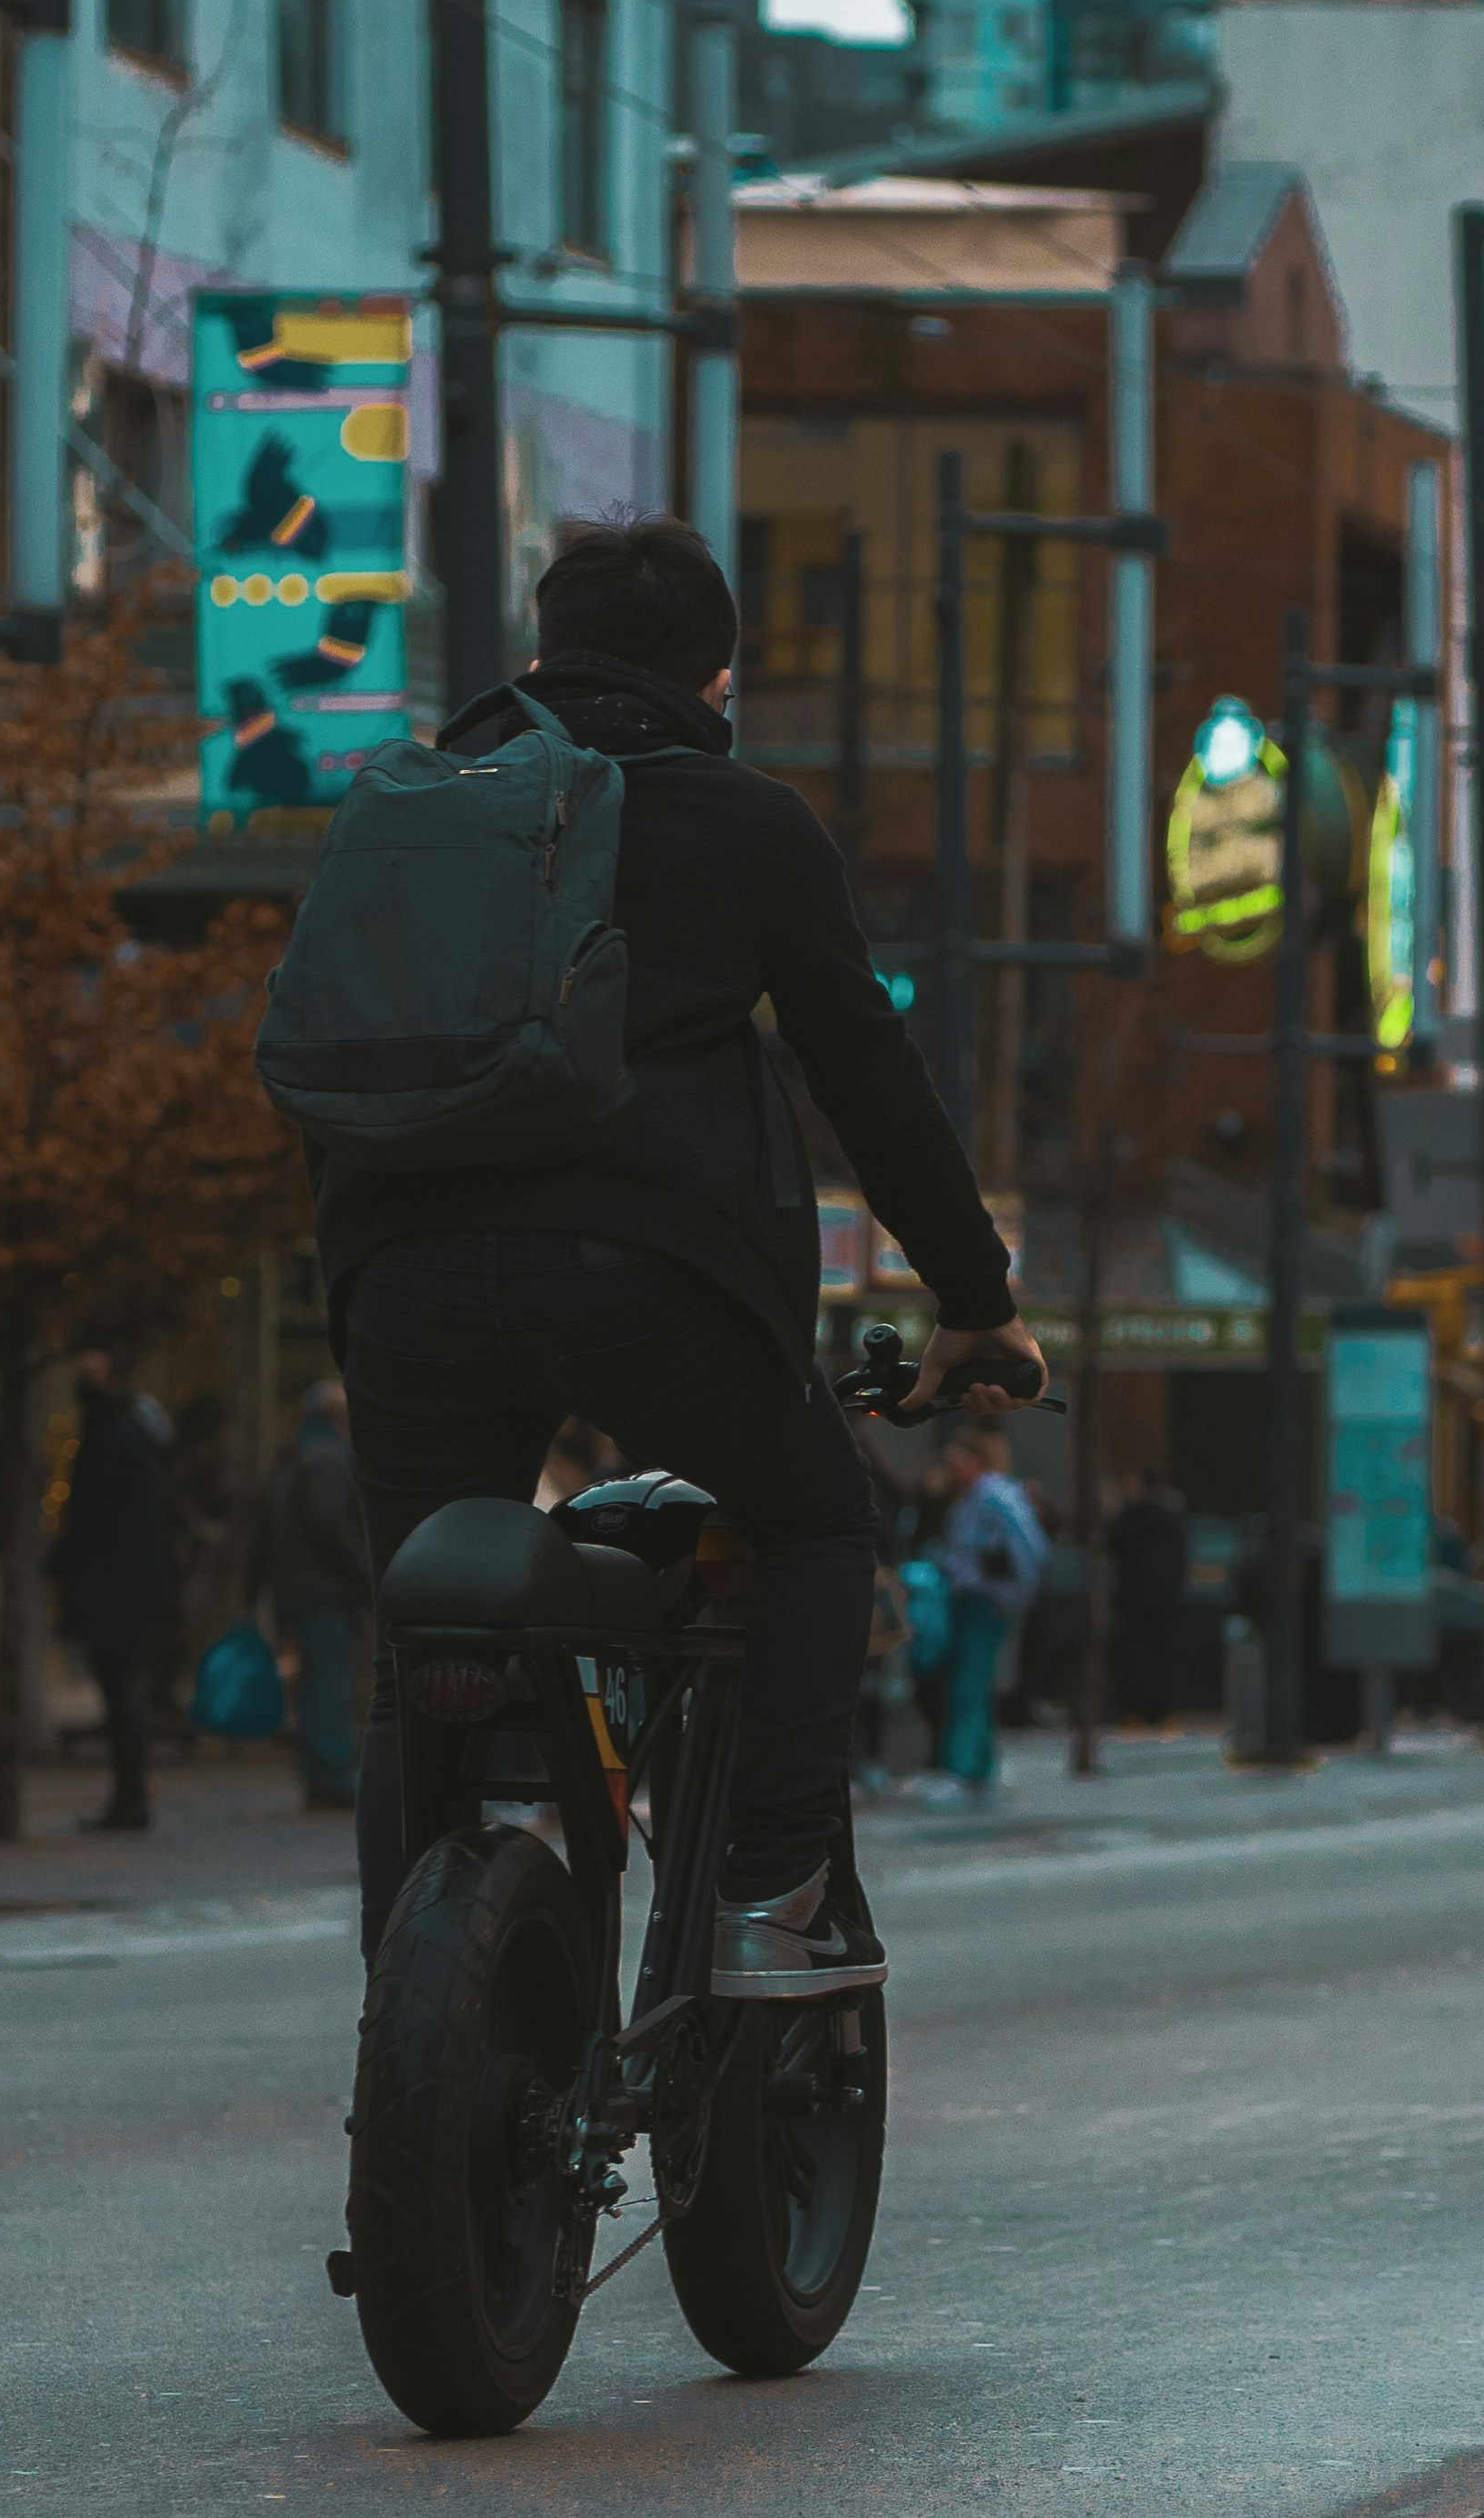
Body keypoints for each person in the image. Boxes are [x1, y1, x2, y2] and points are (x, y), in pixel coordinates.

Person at [314, 517, 1035, 1985]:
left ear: (535, 655)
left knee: (420, 1637)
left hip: (405, 1279)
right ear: (717, 684)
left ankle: (408, 1984)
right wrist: (976, 1303)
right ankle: (767, 1893)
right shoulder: (745, 821)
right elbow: (868, 1085)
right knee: (817, 1520)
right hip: (654, 1271)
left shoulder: (408, 808)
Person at [52, 1343, 175, 1835]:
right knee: (123, 1688)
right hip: (128, 1582)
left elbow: (99, 1515)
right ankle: (130, 1797)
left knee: (120, 1688)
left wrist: (63, 1560)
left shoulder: (114, 1435)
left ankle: (130, 1800)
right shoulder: (131, 1431)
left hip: (116, 1583)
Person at [247, 1378, 371, 1816]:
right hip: (326, 1590)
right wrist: (364, 1570)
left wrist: (253, 1589)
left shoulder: (293, 1455)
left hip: (297, 1589)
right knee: (329, 1685)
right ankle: (330, 1778)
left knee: (317, 1684)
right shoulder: (328, 1459)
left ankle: (322, 1772)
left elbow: (264, 1530)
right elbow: (327, 1521)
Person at [918, 1424, 1047, 1806]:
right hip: (973, 1598)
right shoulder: (972, 1498)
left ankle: (962, 1769)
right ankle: (977, 1766)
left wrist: (1012, 1593)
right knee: (973, 1685)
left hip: (986, 1601)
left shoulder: (995, 1496)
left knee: (968, 1685)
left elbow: (1030, 1549)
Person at [1104, 1472, 1191, 1731]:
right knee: (1163, 1657)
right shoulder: (1172, 1520)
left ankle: (1134, 1712)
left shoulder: (1130, 1520)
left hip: (1133, 1600)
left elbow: (1109, 1543)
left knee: (1134, 1658)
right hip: (1165, 1600)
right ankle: (1164, 1713)